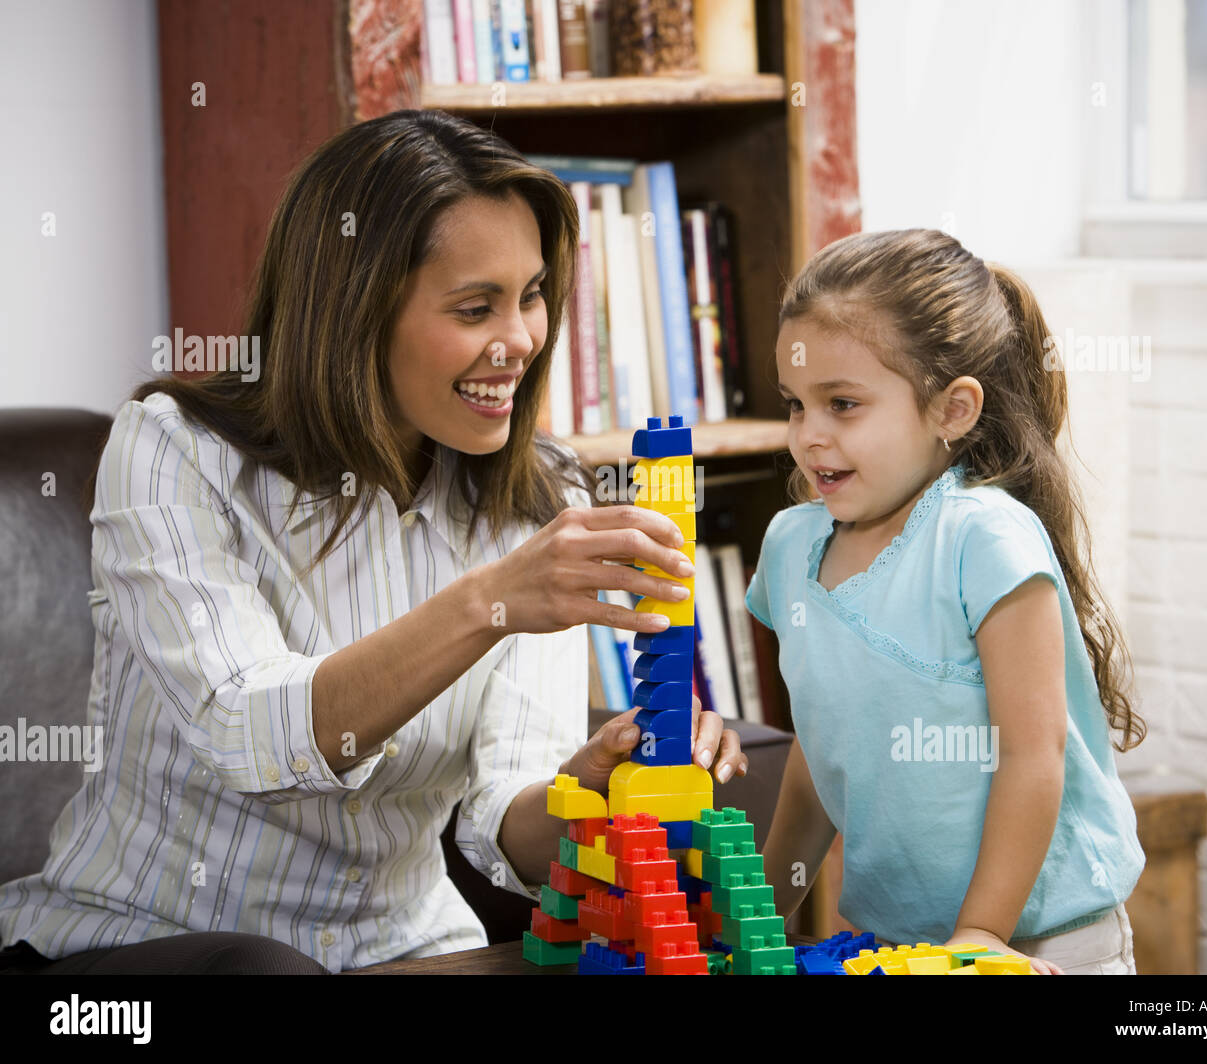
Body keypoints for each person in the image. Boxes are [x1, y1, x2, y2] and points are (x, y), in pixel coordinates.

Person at [0, 109, 746, 975]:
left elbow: (508, 823)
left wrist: (605, 788)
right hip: (141, 953)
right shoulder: (174, 451)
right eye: (477, 307)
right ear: (355, 309)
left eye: (533, 295)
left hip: (408, 954)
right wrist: (489, 602)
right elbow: (251, 735)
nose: (521, 341)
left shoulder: (537, 494)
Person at [751, 228, 1145, 975]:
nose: (809, 436)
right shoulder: (789, 547)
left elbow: (1035, 754)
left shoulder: (985, 540)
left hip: (1035, 943)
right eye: (795, 405)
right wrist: (760, 911)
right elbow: (820, 750)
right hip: (894, 949)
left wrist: (981, 936)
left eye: (842, 404)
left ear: (952, 410)